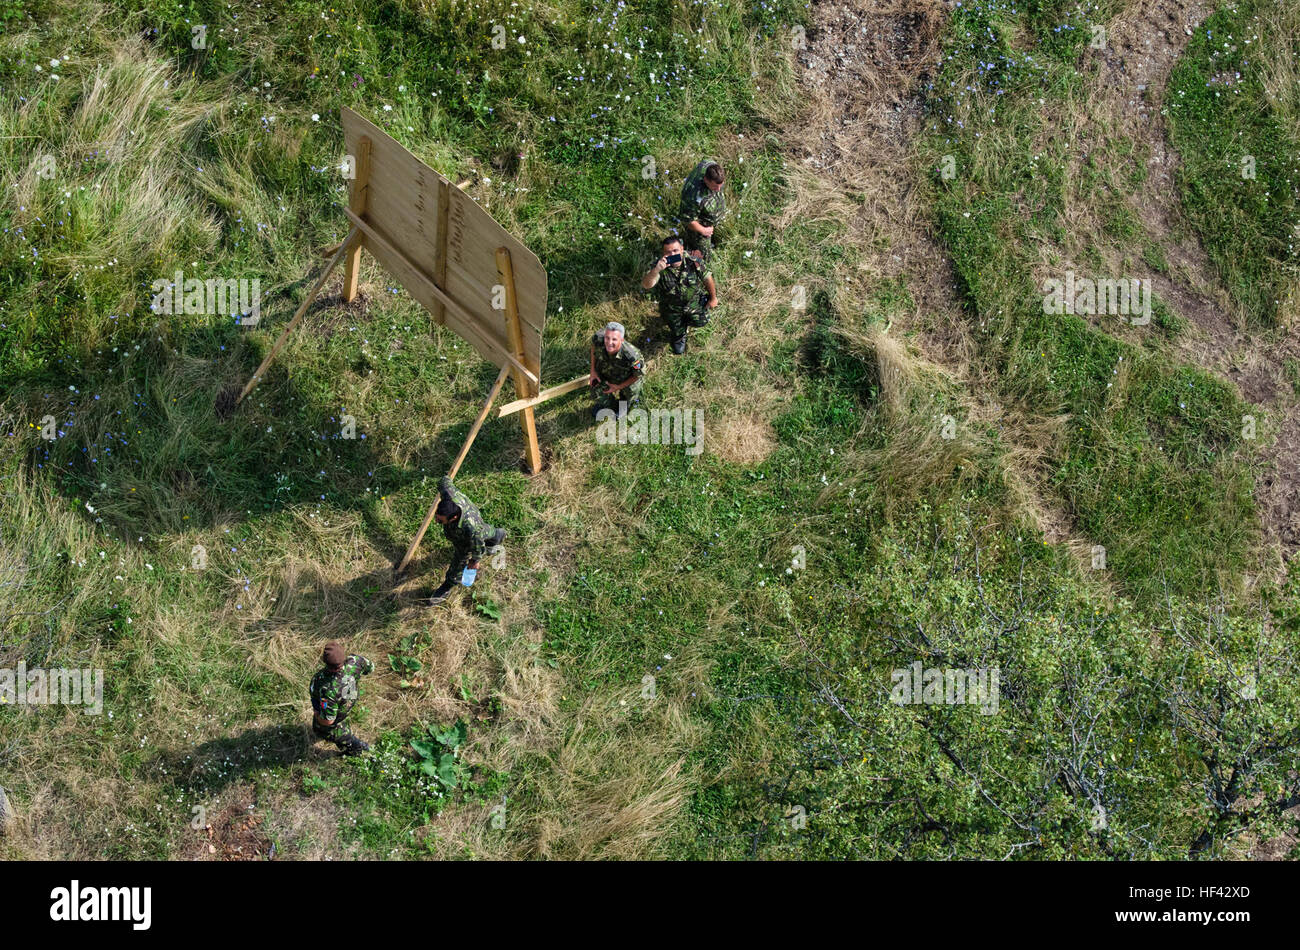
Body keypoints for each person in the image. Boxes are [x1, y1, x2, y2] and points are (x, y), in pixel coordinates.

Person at [429, 475, 505, 605]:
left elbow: (478, 547)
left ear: (453, 518)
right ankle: (497, 535)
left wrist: (475, 561)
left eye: (440, 520)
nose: (436, 521)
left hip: (470, 530)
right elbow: (444, 481)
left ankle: (448, 585)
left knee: (461, 556)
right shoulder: (448, 494)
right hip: (468, 525)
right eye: (436, 516)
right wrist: (445, 477)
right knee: (485, 532)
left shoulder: (470, 529)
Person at [641, 235, 718, 355]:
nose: (672, 255)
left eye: (675, 250)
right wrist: (656, 270)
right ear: (663, 253)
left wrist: (713, 298)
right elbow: (646, 285)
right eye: (668, 252)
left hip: (693, 303)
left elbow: (707, 278)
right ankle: (680, 336)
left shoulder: (694, 261)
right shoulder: (658, 266)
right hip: (671, 308)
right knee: (676, 329)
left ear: (682, 249)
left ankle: (687, 322)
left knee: (702, 321)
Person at [309, 642, 374, 755]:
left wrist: (317, 715)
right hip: (349, 700)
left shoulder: (324, 686)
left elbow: (328, 720)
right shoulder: (355, 661)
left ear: (325, 661)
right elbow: (371, 667)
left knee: (323, 730)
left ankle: (354, 746)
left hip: (338, 712)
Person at [589, 321, 646, 418]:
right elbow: (594, 348)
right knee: (595, 388)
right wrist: (593, 370)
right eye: (607, 338)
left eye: (614, 339)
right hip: (606, 372)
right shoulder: (598, 338)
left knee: (631, 391)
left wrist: (618, 387)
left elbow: (638, 375)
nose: (609, 343)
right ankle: (609, 405)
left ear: (622, 340)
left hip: (626, 379)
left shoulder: (632, 356)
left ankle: (624, 405)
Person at [679, 159, 726, 262]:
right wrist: (703, 230)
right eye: (714, 187)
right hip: (701, 223)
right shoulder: (692, 195)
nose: (718, 190)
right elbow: (687, 220)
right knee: (704, 257)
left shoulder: (711, 167)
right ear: (705, 180)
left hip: (711, 212)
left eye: (720, 185)